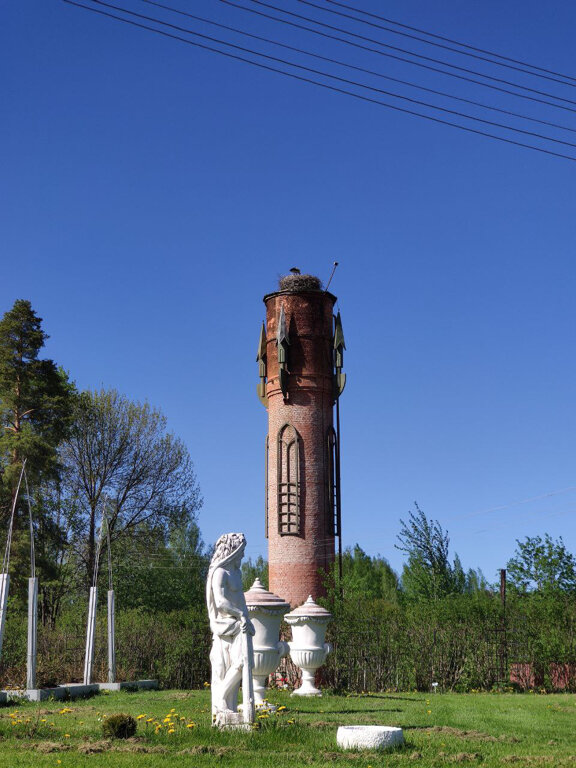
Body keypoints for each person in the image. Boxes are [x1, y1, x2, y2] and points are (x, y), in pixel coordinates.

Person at [206, 533, 255, 716]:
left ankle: (225, 702)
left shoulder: (237, 572)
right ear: (232, 552)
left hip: (239, 626)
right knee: (232, 665)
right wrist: (240, 614)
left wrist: (246, 619)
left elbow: (240, 600)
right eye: (241, 551)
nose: (243, 556)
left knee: (243, 663)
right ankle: (221, 701)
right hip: (225, 626)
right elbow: (220, 602)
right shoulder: (219, 573)